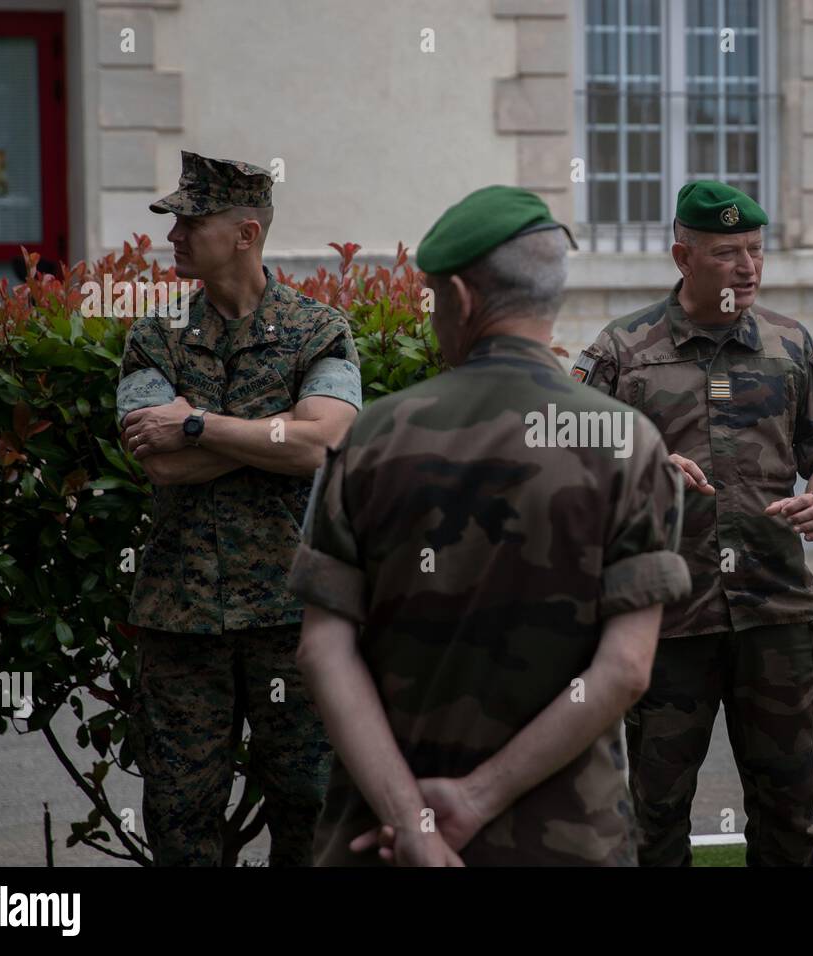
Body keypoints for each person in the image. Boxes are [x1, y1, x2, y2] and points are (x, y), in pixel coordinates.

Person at [289, 185, 691, 866]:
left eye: (434, 300)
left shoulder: (374, 436)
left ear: (462, 298)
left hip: (384, 841)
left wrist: (413, 822)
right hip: (566, 839)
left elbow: (323, 652)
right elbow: (624, 669)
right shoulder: (627, 442)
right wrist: (474, 800)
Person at [572, 180, 813, 866]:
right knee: (655, 816)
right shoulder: (624, 352)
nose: (748, 267)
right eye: (728, 252)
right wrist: (645, 467)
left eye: (756, 251)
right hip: (667, 619)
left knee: (789, 811)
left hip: (777, 611)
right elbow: (569, 468)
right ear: (683, 256)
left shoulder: (791, 347)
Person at [116, 150, 361, 865]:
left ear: (246, 233)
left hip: (293, 619)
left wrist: (198, 421)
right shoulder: (153, 337)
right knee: (179, 811)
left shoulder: (321, 330)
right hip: (181, 621)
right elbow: (156, 459)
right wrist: (274, 427)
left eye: (191, 222)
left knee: (308, 805)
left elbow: (325, 445)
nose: (174, 237)